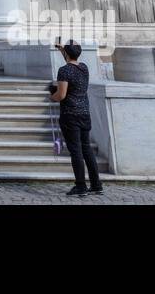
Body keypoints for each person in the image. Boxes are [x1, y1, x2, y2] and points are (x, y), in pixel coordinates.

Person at [49, 40, 102, 197]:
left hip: (70, 115)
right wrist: (62, 49)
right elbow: (70, 60)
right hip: (85, 114)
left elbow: (61, 95)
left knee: (76, 151)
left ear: (67, 52)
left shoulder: (64, 71)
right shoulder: (84, 68)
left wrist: (52, 95)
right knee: (86, 149)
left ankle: (80, 186)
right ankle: (96, 184)